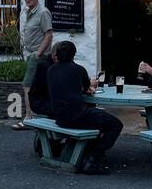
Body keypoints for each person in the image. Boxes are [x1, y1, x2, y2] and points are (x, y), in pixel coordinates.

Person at [46, 40, 122, 175]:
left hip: (59, 117)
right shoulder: (78, 69)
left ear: (57, 54)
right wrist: (91, 84)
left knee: (98, 120)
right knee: (115, 125)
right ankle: (93, 160)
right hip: (77, 116)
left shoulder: (51, 70)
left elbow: (66, 88)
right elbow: (88, 88)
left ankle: (89, 151)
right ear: (74, 55)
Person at [14, 0, 53, 130]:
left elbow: (48, 34)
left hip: (38, 56)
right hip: (31, 55)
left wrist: (38, 53)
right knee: (35, 87)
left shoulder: (43, 12)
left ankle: (29, 118)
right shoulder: (29, 11)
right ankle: (35, 118)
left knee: (27, 85)